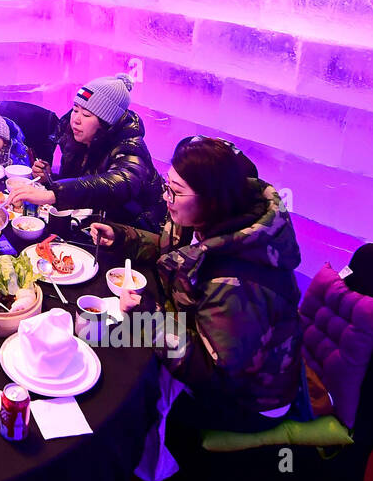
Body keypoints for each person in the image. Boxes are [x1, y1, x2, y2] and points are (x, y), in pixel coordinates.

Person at [90, 136, 304, 433]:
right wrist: (124, 238)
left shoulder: (239, 280)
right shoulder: (208, 219)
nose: (166, 197)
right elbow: (178, 254)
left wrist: (146, 317)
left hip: (248, 401)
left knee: (126, 400)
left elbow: (213, 373)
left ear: (211, 199)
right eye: (168, 185)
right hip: (200, 333)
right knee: (105, 340)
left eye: (175, 191)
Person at [6, 73, 165, 231]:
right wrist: (48, 178)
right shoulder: (75, 137)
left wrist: (53, 194)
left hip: (134, 231)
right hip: (92, 224)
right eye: (75, 110)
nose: (76, 119)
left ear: (106, 123)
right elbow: (78, 183)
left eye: (87, 114)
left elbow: (122, 182)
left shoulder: (130, 145)